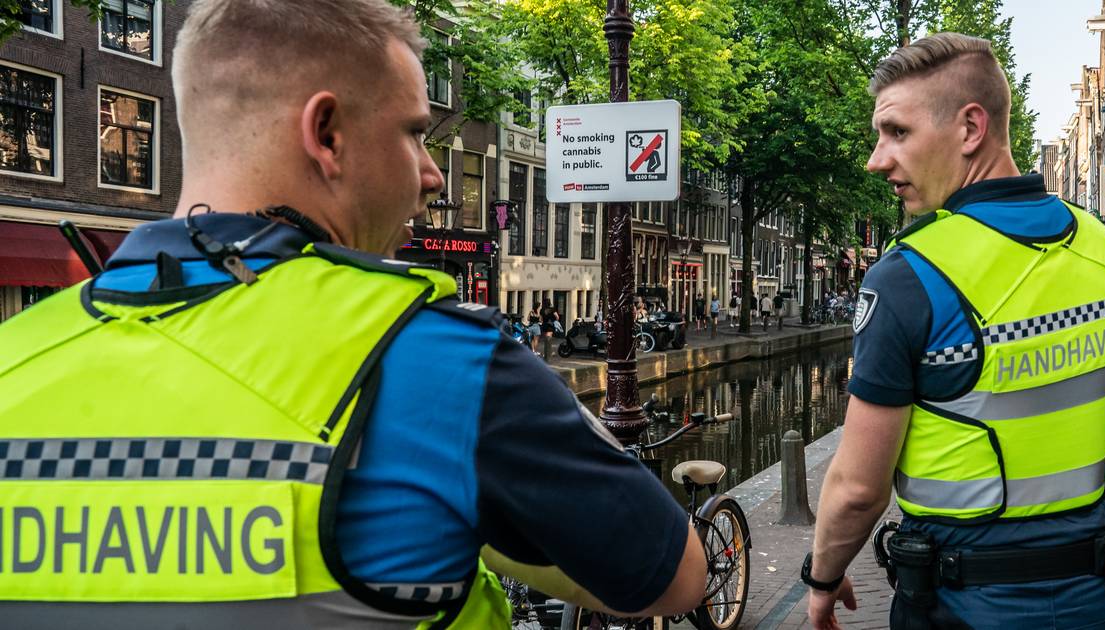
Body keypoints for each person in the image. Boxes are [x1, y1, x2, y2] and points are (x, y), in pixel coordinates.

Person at [0, 1, 706, 627]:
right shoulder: (439, 357)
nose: (432, 174)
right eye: (413, 133)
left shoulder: (17, 354)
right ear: (327, 134)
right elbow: (674, 577)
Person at [804, 33, 1105, 630]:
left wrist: (823, 577)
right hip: (1092, 596)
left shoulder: (908, 276)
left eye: (897, 132)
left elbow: (857, 490)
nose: (877, 159)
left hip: (960, 605)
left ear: (970, 128)